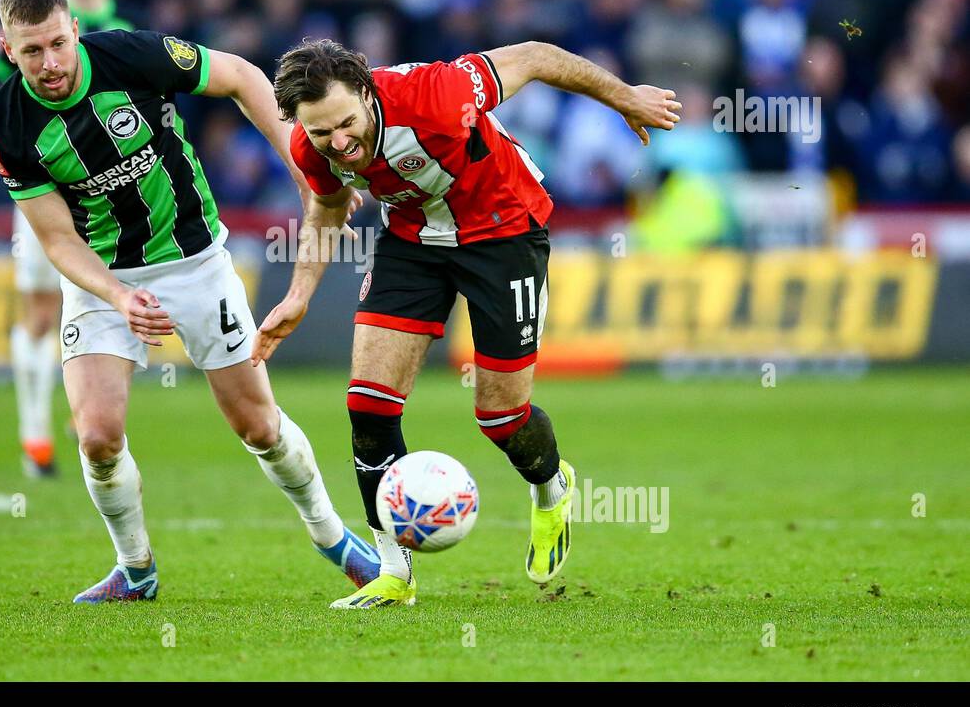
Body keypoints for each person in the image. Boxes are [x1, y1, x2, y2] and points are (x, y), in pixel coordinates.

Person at [0, 0, 378, 602]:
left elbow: (246, 78)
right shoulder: (8, 123)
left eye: (58, 43)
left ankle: (332, 537)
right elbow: (57, 239)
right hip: (102, 282)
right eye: (33, 51)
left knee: (258, 426)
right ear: (8, 49)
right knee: (97, 435)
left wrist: (307, 175)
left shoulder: (133, 56)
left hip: (196, 264)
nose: (50, 62)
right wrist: (116, 296)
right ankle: (135, 569)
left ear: (75, 30)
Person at [253, 38, 681, 608]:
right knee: (368, 405)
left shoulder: (437, 93)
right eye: (321, 132)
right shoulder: (313, 146)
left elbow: (534, 57)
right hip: (412, 240)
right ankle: (393, 573)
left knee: (501, 416)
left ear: (366, 91)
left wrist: (625, 97)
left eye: (346, 124)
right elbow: (327, 206)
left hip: (504, 230)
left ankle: (552, 488)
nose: (339, 143)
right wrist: (300, 294)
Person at [0, 0, 134, 478]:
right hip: (46, 197)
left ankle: (85, 410)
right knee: (41, 310)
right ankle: (34, 435)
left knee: (122, 305)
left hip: (115, 200)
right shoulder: (29, 28)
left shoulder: (122, 29)